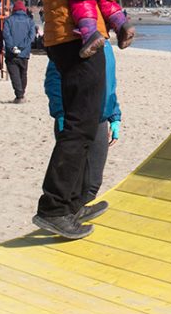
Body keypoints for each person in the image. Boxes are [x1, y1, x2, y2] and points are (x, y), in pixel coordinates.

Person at [32, 0, 126, 240]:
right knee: (80, 125)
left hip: (81, 35)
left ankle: (71, 204)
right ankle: (55, 207)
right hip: (73, 38)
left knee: (87, 123)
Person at [44, 45, 120, 214]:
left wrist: (114, 115)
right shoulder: (70, 42)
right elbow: (53, 79)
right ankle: (66, 217)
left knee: (93, 182)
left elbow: (110, 84)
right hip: (75, 120)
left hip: (100, 119)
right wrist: (61, 113)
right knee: (74, 181)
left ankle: (76, 214)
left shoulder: (106, 46)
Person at [1, 0, 37, 103]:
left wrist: (13, 47)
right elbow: (32, 36)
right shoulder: (30, 21)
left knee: (15, 75)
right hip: (24, 53)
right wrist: (22, 47)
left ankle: (19, 95)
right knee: (23, 73)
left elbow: (6, 35)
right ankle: (21, 94)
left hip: (11, 53)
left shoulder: (8, 20)